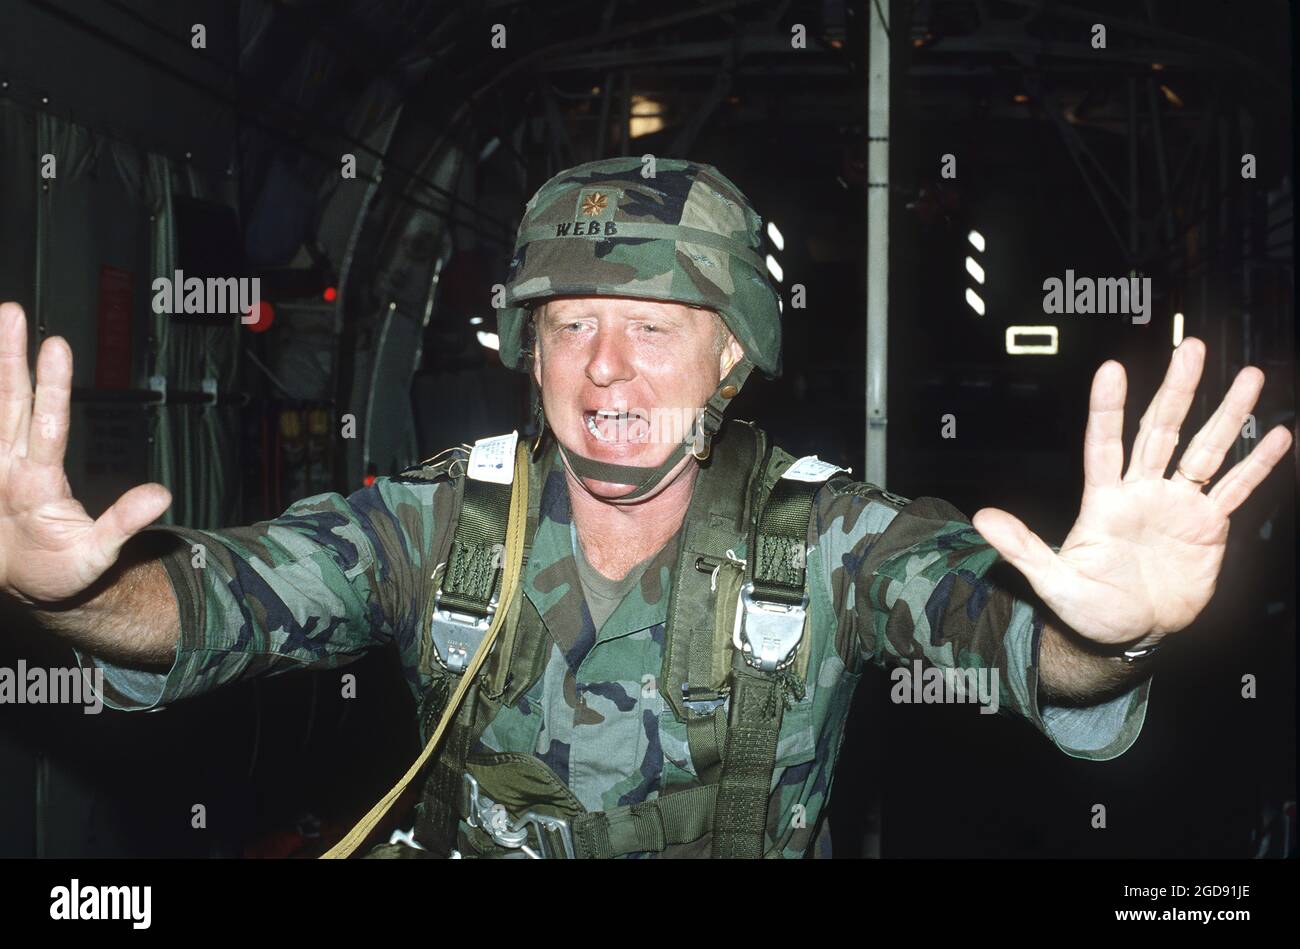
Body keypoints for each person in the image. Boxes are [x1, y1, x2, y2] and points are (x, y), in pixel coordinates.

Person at [0, 158, 1290, 858]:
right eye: (573, 327)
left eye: (656, 329)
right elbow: (219, 602)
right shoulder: (435, 524)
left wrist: (1107, 638)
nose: (607, 369)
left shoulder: (830, 541)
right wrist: (78, 594)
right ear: (532, 350)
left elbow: (1001, 635)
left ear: (731, 359)